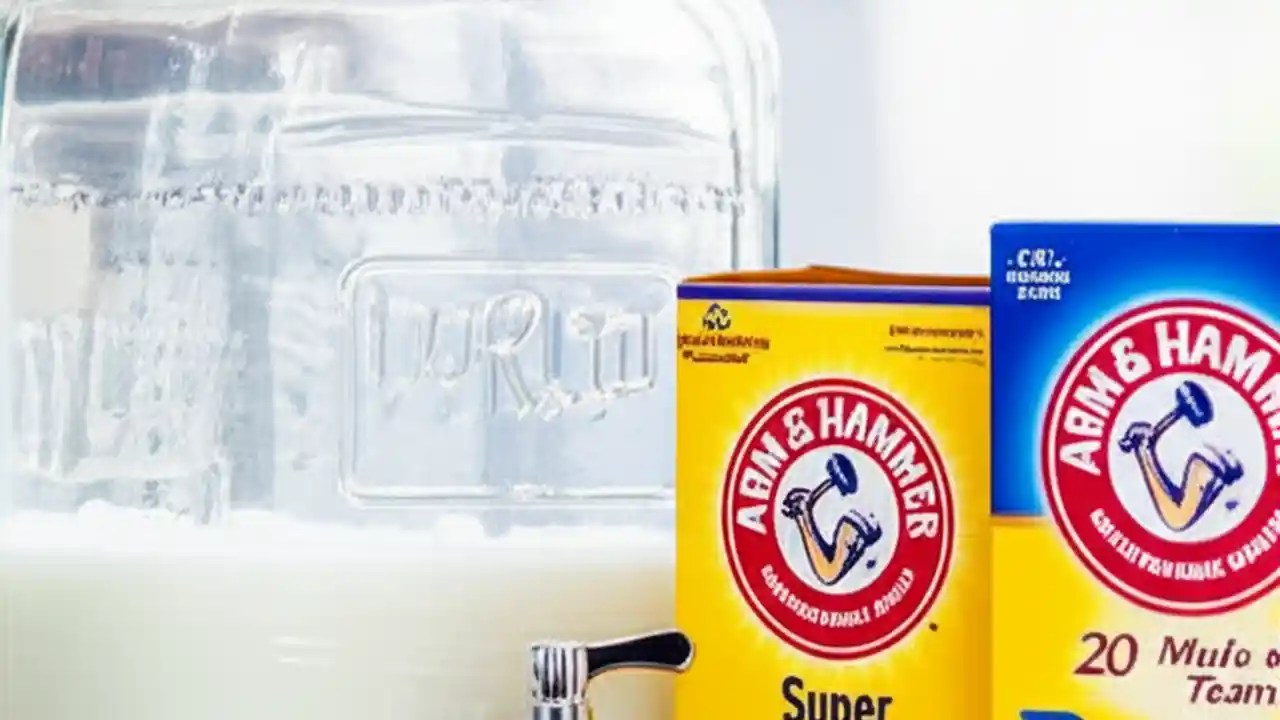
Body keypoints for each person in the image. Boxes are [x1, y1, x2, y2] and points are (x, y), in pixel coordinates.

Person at [780, 453, 883, 587]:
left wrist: (803, 517)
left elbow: (828, 574)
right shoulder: (833, 499)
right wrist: (803, 515)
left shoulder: (858, 513)